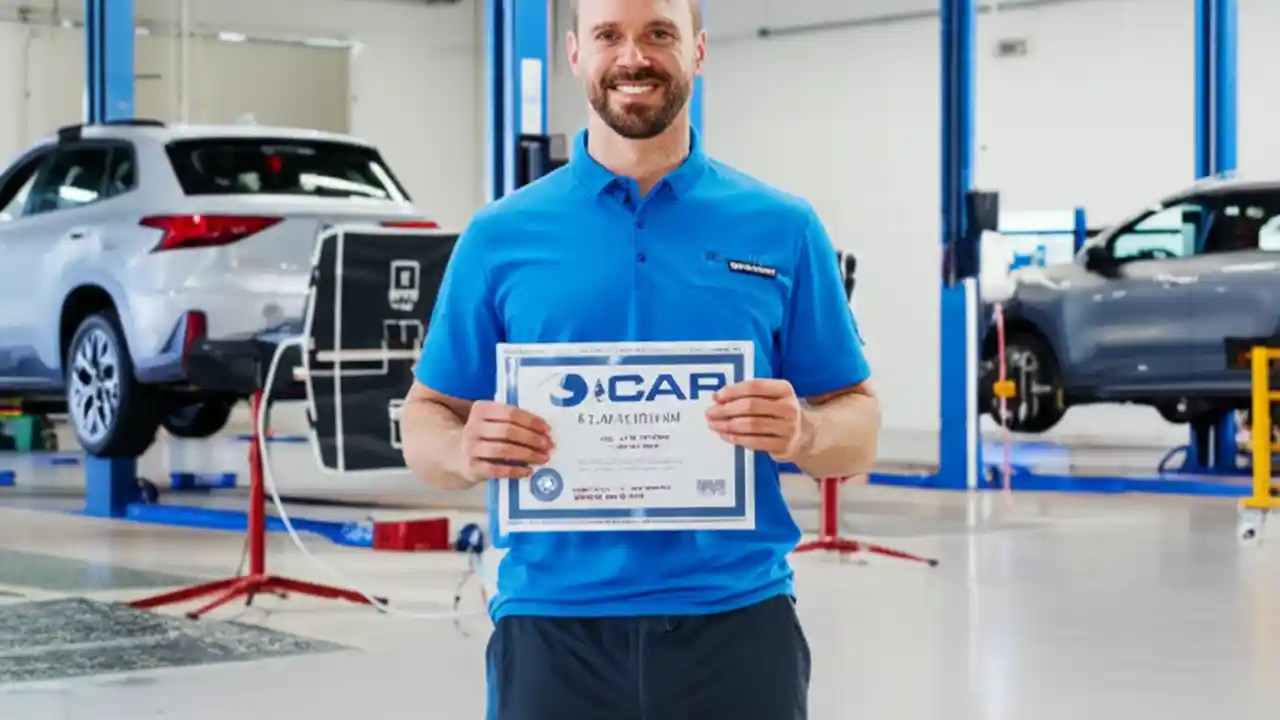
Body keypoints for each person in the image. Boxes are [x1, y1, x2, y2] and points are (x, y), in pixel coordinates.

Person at [399, 0, 881, 717]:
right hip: (552, 625)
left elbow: (859, 426)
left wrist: (806, 432)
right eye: (608, 36)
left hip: (737, 620)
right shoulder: (500, 235)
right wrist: (461, 448)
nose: (633, 57)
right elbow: (424, 419)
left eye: (659, 33)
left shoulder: (782, 227)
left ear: (698, 50)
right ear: (575, 54)